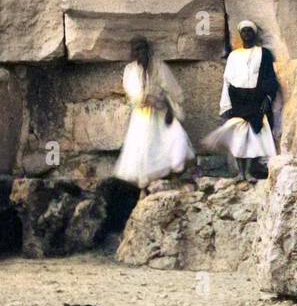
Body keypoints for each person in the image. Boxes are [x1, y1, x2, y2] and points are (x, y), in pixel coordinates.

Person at [114, 37, 194, 188]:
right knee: (144, 146)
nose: (140, 52)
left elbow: (172, 89)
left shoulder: (158, 66)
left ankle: (172, 176)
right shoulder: (130, 70)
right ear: (133, 53)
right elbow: (133, 93)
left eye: (143, 48)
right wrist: (145, 97)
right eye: (137, 49)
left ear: (148, 49)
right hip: (142, 115)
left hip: (161, 111)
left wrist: (170, 110)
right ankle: (145, 185)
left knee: (176, 138)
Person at [204, 21, 279, 181]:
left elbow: (271, 79)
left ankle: (250, 172)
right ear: (240, 34)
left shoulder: (263, 53)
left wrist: (268, 98)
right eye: (243, 31)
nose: (246, 34)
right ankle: (240, 173)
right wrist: (226, 105)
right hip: (238, 99)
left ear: (254, 33)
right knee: (238, 136)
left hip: (256, 99)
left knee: (255, 135)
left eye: (249, 31)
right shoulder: (234, 55)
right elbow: (227, 80)